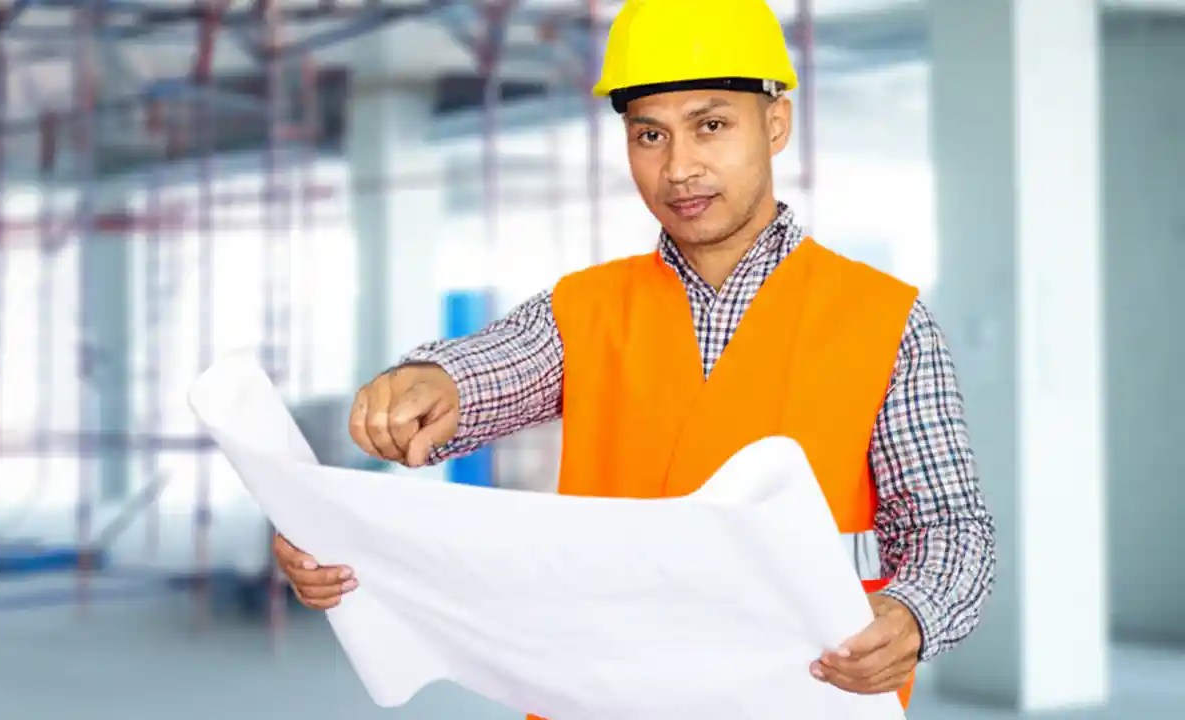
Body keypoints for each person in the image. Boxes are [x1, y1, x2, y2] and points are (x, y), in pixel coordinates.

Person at [273, 0, 996, 711]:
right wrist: (423, 387)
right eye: (649, 136)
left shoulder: (886, 321)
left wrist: (912, 614)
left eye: (710, 126)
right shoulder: (583, 310)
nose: (678, 167)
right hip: (603, 698)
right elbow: (483, 372)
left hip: (799, 697)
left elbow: (951, 526)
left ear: (776, 124)